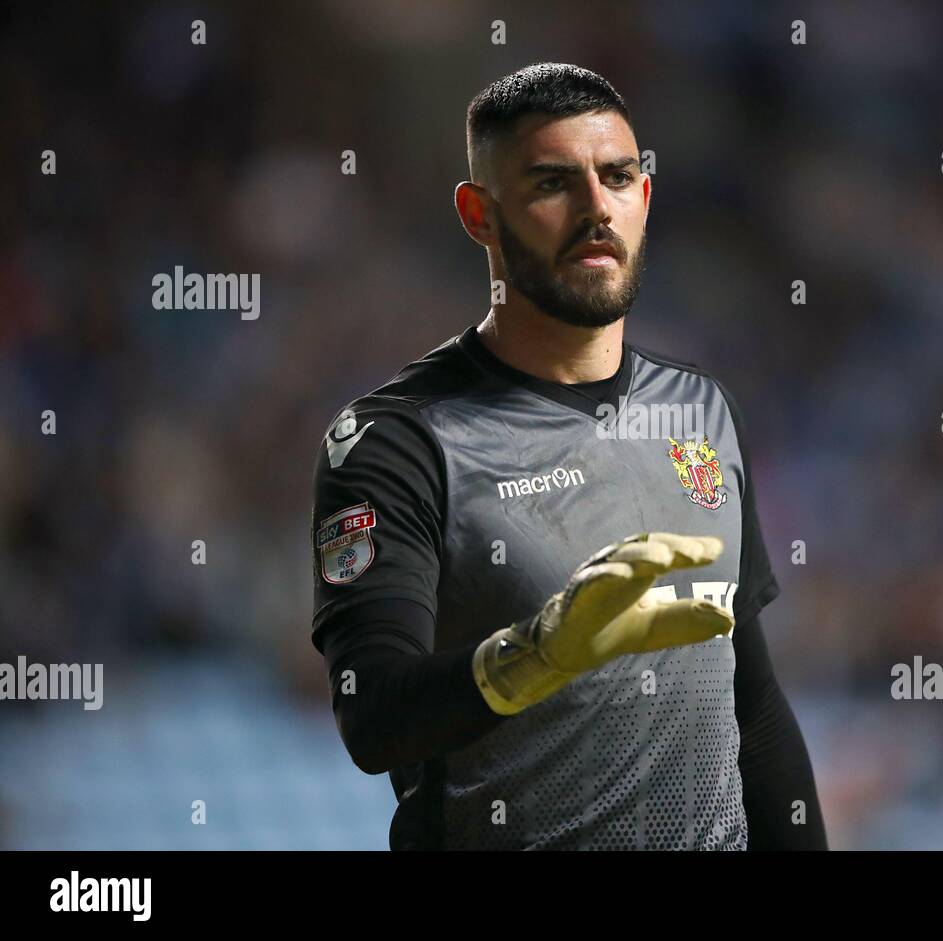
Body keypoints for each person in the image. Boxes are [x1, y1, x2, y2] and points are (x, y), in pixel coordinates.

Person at [309, 62, 826, 850]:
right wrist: (536, 654)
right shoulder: (399, 442)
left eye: (617, 176)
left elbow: (750, 704)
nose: (595, 208)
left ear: (644, 198)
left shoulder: (701, 411)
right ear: (480, 214)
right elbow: (372, 714)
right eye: (553, 183)